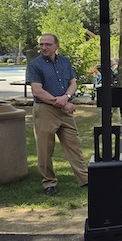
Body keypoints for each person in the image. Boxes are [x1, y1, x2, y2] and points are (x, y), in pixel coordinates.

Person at [26, 33, 88, 196]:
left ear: (56, 46)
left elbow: (73, 82)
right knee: (45, 149)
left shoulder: (65, 62)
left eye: (47, 44)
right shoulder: (35, 65)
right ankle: (49, 183)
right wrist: (62, 102)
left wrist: (66, 97)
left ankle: (85, 180)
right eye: (41, 45)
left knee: (74, 144)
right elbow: (37, 91)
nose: (44, 47)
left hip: (64, 110)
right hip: (45, 110)